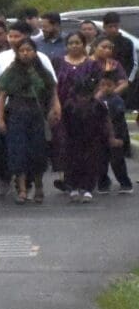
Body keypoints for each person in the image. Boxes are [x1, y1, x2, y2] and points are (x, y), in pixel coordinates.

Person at [0, 28, 59, 203]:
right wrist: (0, 119)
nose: (25, 54)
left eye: (28, 50)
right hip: (16, 113)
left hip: (37, 114)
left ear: (34, 52)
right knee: (18, 151)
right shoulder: (11, 71)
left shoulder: (41, 70)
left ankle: (38, 187)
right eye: (22, 51)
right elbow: (2, 95)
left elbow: (52, 88)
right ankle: (22, 189)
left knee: (38, 151)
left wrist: (56, 107)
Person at [55, 32, 110, 203]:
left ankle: (87, 187)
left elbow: (100, 85)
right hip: (67, 111)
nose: (74, 45)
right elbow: (53, 86)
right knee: (69, 149)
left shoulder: (92, 65)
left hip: (90, 112)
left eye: (78, 42)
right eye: (71, 43)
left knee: (90, 151)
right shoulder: (58, 62)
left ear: (84, 44)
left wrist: (93, 101)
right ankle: (71, 185)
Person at [95, 38, 133, 194]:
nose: (105, 88)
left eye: (110, 47)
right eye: (102, 85)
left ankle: (125, 183)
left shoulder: (116, 100)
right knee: (100, 160)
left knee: (117, 160)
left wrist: (119, 138)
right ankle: (103, 183)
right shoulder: (97, 99)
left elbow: (117, 118)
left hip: (116, 132)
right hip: (99, 133)